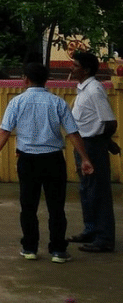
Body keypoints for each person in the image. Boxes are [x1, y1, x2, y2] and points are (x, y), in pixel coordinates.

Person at [0, 62, 94, 263]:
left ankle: (29, 247)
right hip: (53, 159)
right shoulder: (58, 102)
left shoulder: (17, 102)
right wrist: (85, 159)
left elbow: (5, 131)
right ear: (46, 80)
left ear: (25, 79)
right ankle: (58, 250)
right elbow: (73, 133)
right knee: (56, 206)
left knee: (28, 206)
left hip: (28, 160)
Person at [68, 50, 117, 253]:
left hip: (92, 144)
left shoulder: (94, 89)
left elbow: (109, 121)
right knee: (86, 190)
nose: (72, 68)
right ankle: (91, 230)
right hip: (83, 144)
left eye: (75, 65)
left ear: (86, 69)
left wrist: (103, 142)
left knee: (97, 191)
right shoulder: (83, 90)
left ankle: (104, 237)